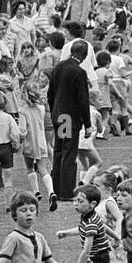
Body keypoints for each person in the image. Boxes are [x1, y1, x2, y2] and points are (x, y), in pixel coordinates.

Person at [47, 39, 91, 202]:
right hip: (68, 117)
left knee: (58, 151)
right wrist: (88, 124)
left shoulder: (58, 67)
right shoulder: (78, 72)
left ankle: (57, 188)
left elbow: (50, 94)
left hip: (58, 115)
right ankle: (66, 192)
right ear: (84, 56)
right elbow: (83, 100)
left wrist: (54, 112)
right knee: (68, 153)